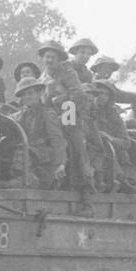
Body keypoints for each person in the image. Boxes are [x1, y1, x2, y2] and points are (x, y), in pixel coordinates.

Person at [39, 40, 98, 195]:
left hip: (70, 110)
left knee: (75, 143)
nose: (49, 60)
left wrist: (61, 104)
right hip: (48, 115)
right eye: (47, 57)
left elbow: (78, 95)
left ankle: (86, 186)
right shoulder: (43, 76)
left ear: (59, 60)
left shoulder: (67, 72)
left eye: (53, 57)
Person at [13, 76, 67, 188]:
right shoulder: (22, 114)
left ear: (39, 94)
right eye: (24, 94)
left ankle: (24, 179)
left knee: (23, 151)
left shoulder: (48, 114)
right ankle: (18, 178)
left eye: (30, 93)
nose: (27, 97)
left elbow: (57, 139)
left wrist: (60, 164)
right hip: (30, 155)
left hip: (45, 158)